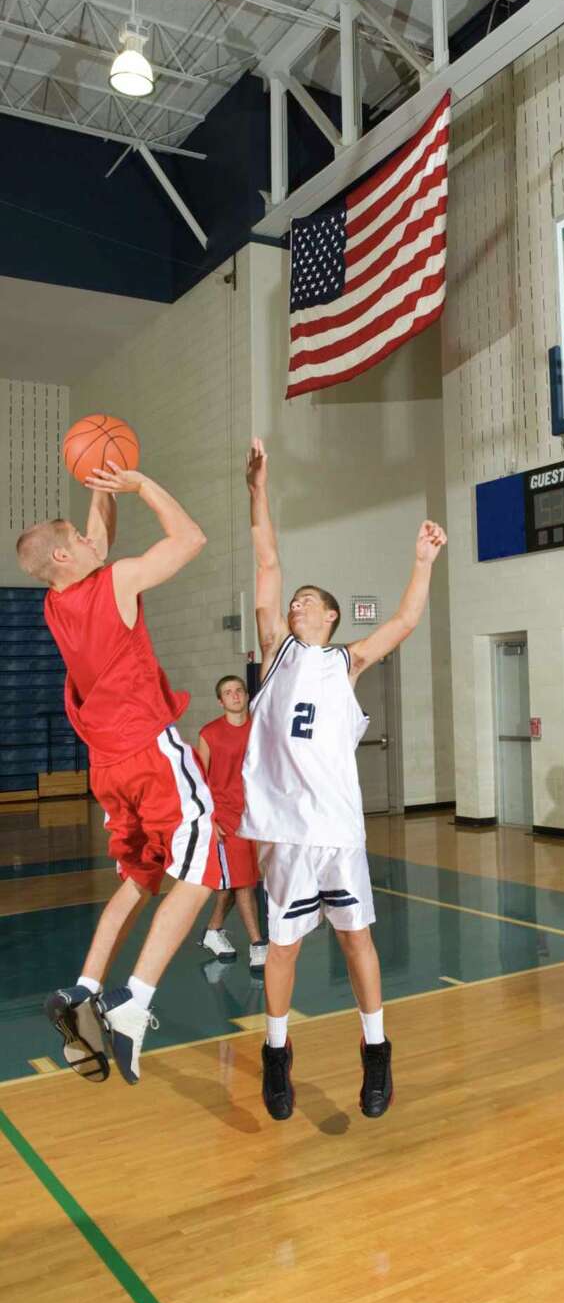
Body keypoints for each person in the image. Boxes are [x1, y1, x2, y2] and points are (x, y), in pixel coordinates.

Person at [239, 437, 447, 1122]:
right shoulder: (276, 654)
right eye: (292, 602)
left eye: (307, 602)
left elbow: (406, 620)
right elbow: (268, 559)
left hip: (337, 832)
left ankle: (377, 1046)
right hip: (286, 833)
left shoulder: (346, 663)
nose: (295, 605)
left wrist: (421, 560)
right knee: (284, 946)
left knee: (357, 938)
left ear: (329, 616)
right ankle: (277, 1052)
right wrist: (256, 490)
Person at [16, 463, 216, 1086]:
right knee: (207, 859)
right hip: (150, 753)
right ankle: (134, 1001)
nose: (88, 538)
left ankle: (82, 988)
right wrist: (143, 485)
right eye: (74, 535)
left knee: (139, 874)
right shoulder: (117, 582)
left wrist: (98, 484)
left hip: (107, 767)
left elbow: (92, 547)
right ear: (59, 551)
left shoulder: (56, 601)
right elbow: (190, 540)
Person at [196, 674, 268, 971]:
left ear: (246, 696)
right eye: (228, 692)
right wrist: (207, 820)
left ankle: (213, 931)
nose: (235, 695)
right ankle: (258, 945)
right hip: (225, 820)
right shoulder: (209, 733)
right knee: (243, 884)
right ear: (220, 700)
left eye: (239, 690)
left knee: (233, 882)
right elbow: (199, 782)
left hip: (256, 818)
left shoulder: (260, 730)